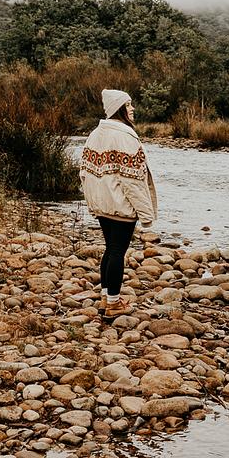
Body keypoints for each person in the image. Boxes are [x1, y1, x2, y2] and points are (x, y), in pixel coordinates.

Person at [79, 89, 157, 318]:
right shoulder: (125, 136)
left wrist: (92, 202)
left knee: (110, 250)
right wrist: (146, 215)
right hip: (120, 204)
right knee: (117, 252)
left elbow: (85, 172)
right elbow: (133, 180)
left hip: (103, 203)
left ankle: (105, 299)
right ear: (119, 109)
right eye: (129, 105)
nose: (132, 108)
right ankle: (113, 304)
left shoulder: (95, 133)